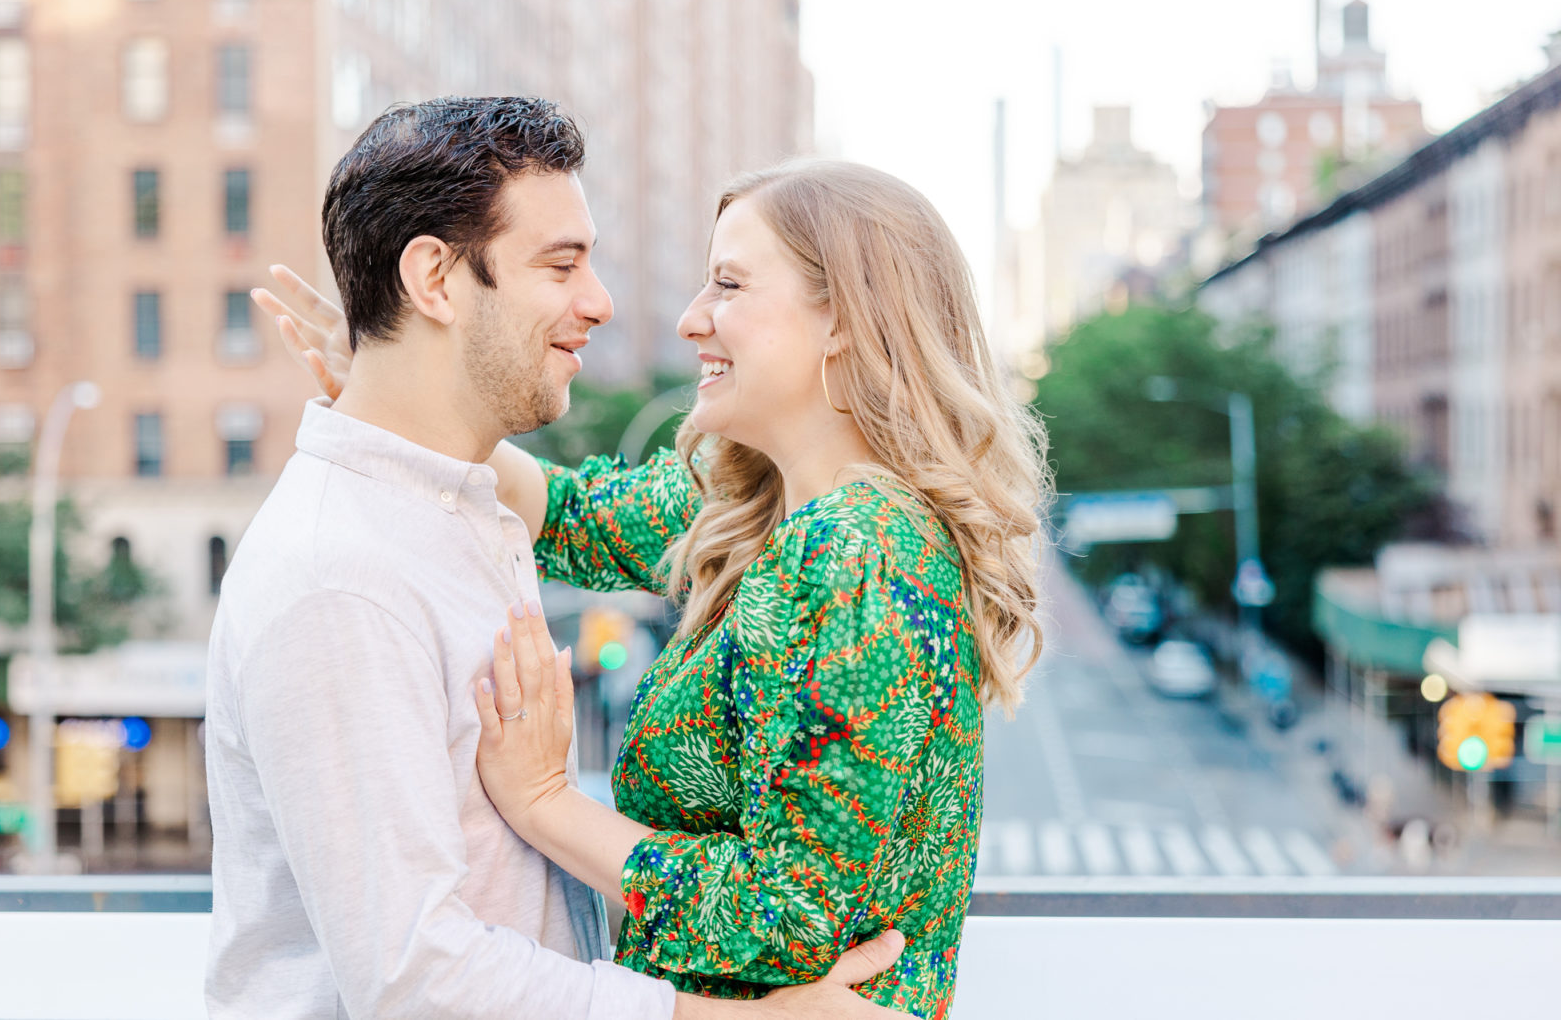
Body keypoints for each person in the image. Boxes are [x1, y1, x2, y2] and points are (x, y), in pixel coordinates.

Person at [265, 157, 1050, 1018]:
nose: (690, 319)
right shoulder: (756, 495)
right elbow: (570, 514)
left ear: (844, 322)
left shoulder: (857, 553)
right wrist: (404, 378)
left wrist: (545, 803)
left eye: (729, 285)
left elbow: (784, 913)